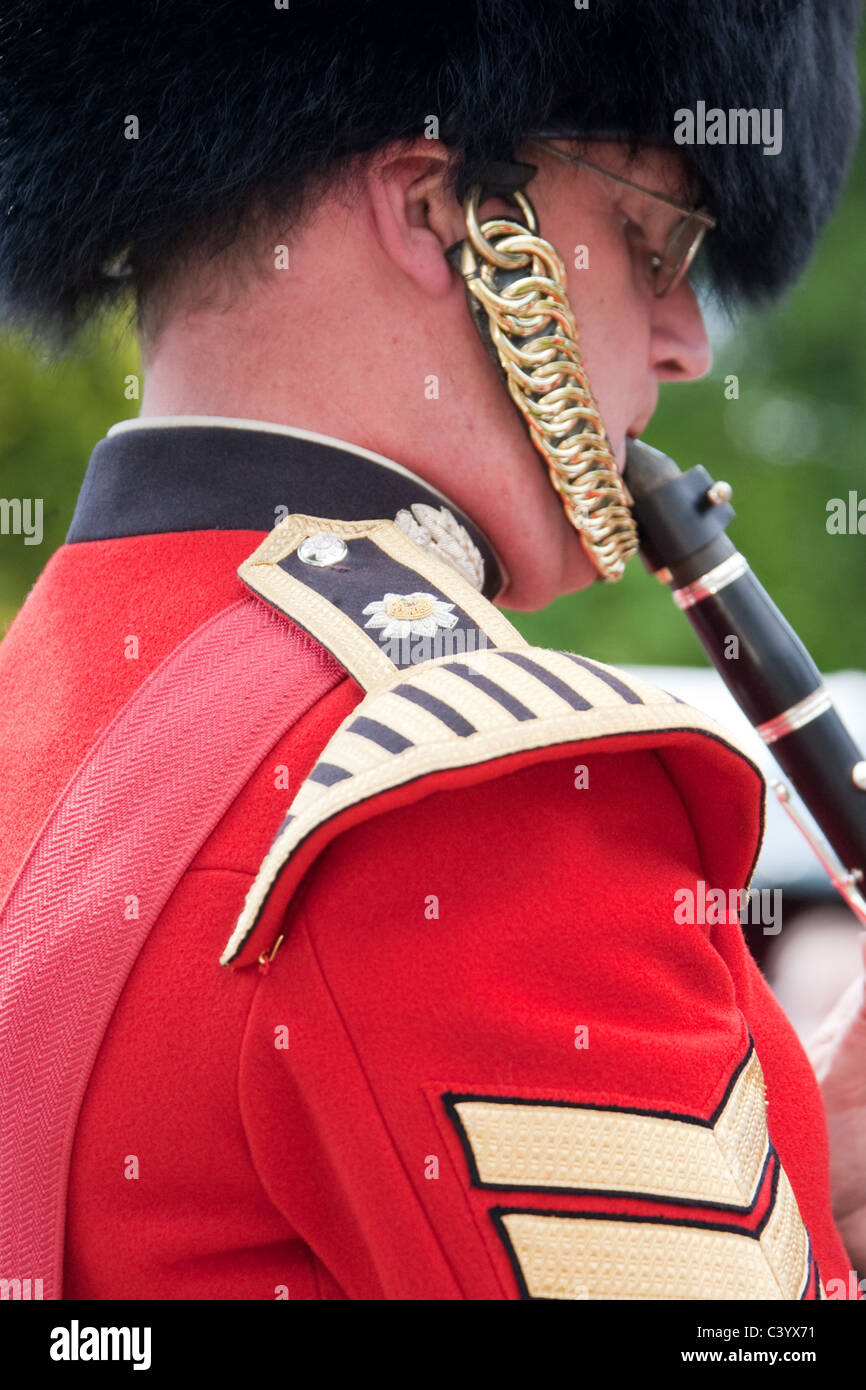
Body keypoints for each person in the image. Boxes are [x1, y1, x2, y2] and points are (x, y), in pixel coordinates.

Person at [0, 0, 863, 1301]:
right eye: (657, 239)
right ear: (438, 207)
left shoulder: (41, 693)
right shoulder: (498, 803)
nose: (684, 341)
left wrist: (805, 1172)